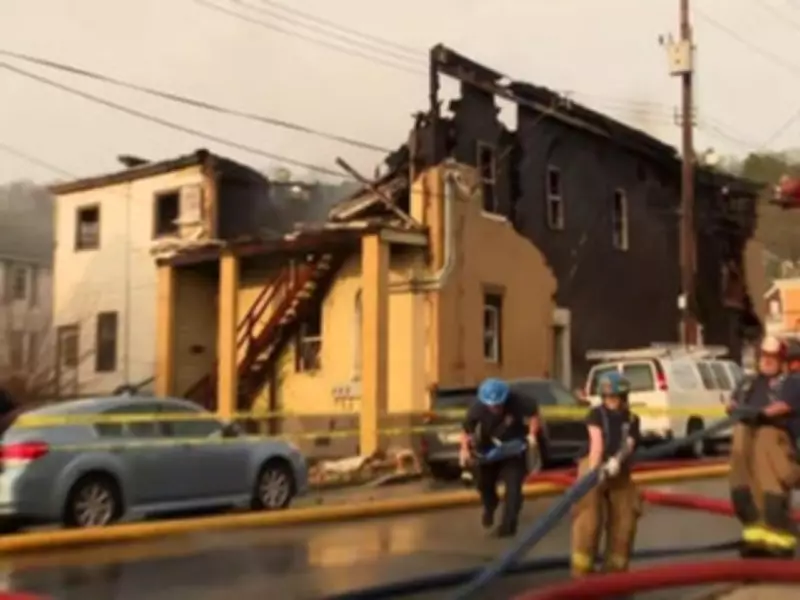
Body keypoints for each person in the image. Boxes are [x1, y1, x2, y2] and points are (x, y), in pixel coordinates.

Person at [727, 335, 800, 558]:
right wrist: (733, 407)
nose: (767, 360)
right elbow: (732, 403)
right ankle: (755, 534)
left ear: (782, 360)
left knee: (766, 435)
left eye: (773, 357)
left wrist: (761, 413)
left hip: (778, 448)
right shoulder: (747, 384)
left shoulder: (792, 383)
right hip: (750, 446)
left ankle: (781, 537)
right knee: (741, 433)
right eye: (764, 355)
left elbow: (782, 407)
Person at [571, 371, 641, 577]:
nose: (611, 401)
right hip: (593, 465)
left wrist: (617, 461)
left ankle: (615, 572)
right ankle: (582, 572)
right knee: (589, 518)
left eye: (615, 397)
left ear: (624, 397)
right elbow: (596, 444)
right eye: (608, 397)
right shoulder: (595, 415)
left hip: (620, 469)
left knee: (625, 518)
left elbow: (629, 443)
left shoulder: (632, 419)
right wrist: (595, 473)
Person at [459, 378, 540, 537]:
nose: (495, 408)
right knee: (484, 484)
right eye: (492, 405)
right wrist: (464, 449)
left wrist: (532, 436)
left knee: (513, 488)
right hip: (488, 451)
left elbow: (534, 414)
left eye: (498, 405)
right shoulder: (477, 408)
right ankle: (490, 506)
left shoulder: (517, 400)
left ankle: (508, 526)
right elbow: (465, 431)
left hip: (513, 449)